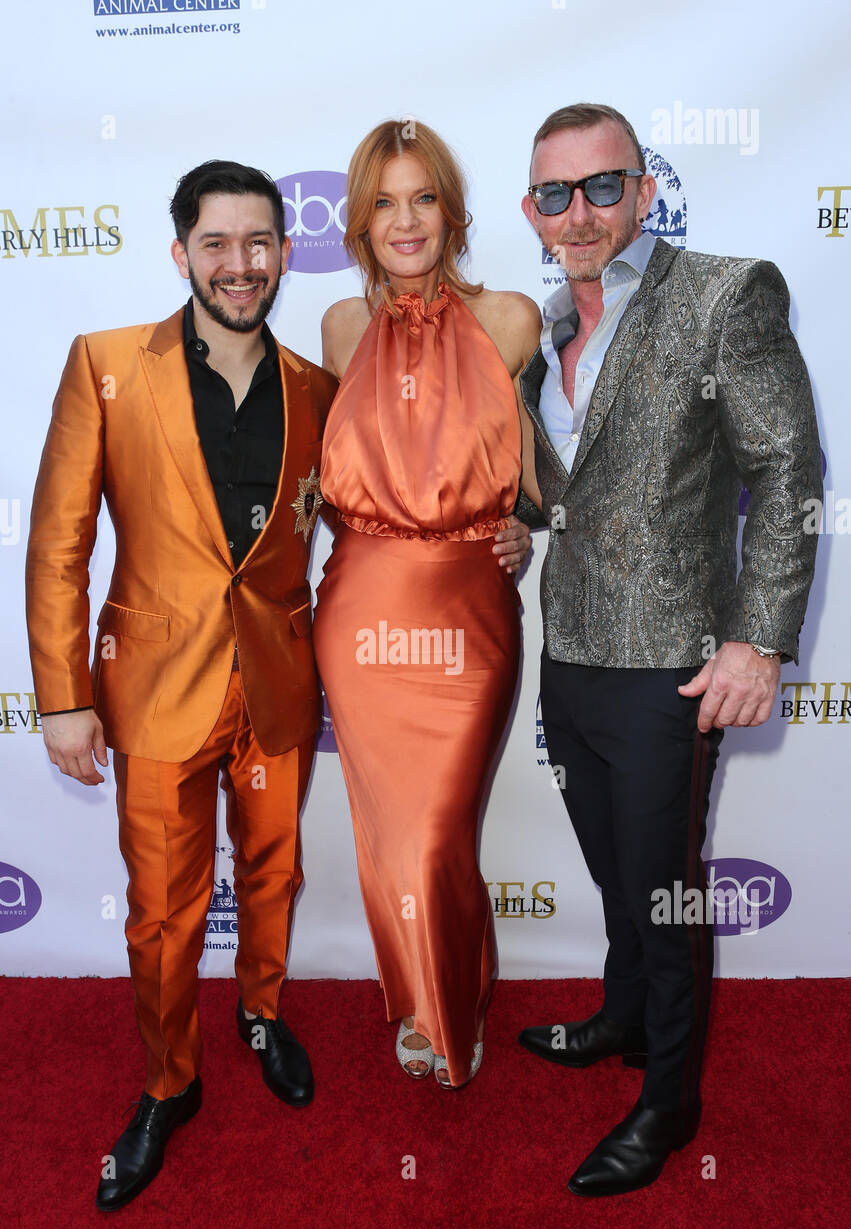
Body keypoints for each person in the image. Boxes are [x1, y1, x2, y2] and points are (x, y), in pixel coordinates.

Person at [514, 104, 821, 1194]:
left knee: (665, 892)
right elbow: (563, 490)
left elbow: (787, 471)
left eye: (602, 187)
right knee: (617, 871)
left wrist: (757, 639)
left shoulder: (725, 292)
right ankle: (624, 1016)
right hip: (572, 647)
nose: (581, 213)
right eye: (555, 194)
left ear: (643, 189)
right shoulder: (543, 329)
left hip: (674, 659)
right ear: (531, 210)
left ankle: (668, 1100)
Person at [25, 160, 337, 1211]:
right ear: (181, 253)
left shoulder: (315, 388)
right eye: (216, 244)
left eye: (258, 244)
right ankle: (170, 1081)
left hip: (280, 688)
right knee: (161, 913)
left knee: (273, 875)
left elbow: (364, 525)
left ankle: (260, 1012)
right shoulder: (108, 364)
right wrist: (64, 695)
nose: (238, 265)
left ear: (285, 253)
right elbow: (58, 543)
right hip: (154, 690)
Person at [312, 119, 541, 1089]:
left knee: (440, 828)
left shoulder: (511, 319)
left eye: (423, 197)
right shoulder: (337, 330)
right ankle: (419, 999)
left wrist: (529, 526)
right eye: (383, 202)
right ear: (359, 224)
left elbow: (532, 470)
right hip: (360, 603)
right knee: (385, 834)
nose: (405, 220)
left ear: (451, 210)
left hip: (465, 604)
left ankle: (452, 1000)